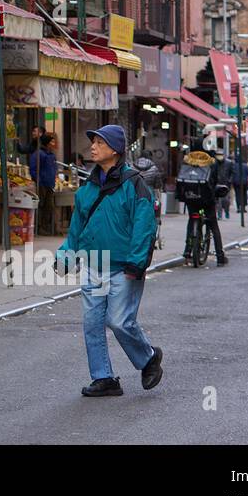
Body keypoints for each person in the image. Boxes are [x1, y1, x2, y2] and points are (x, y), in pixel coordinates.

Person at [53, 125, 163, 398]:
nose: (92, 147)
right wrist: (65, 256)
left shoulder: (134, 183)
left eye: (99, 143)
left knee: (119, 321)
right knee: (92, 324)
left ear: (114, 150)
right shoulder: (87, 189)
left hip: (124, 267)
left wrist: (137, 263)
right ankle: (104, 378)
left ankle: (148, 358)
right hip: (93, 266)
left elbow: (144, 225)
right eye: (92, 142)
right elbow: (77, 229)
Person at [31, 133, 59, 235]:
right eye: (52, 141)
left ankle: (45, 227)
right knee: (41, 205)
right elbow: (34, 169)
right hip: (42, 184)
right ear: (47, 143)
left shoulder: (51, 155)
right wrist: (39, 180)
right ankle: (38, 227)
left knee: (48, 207)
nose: (54, 143)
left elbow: (53, 168)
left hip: (50, 184)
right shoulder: (39, 154)